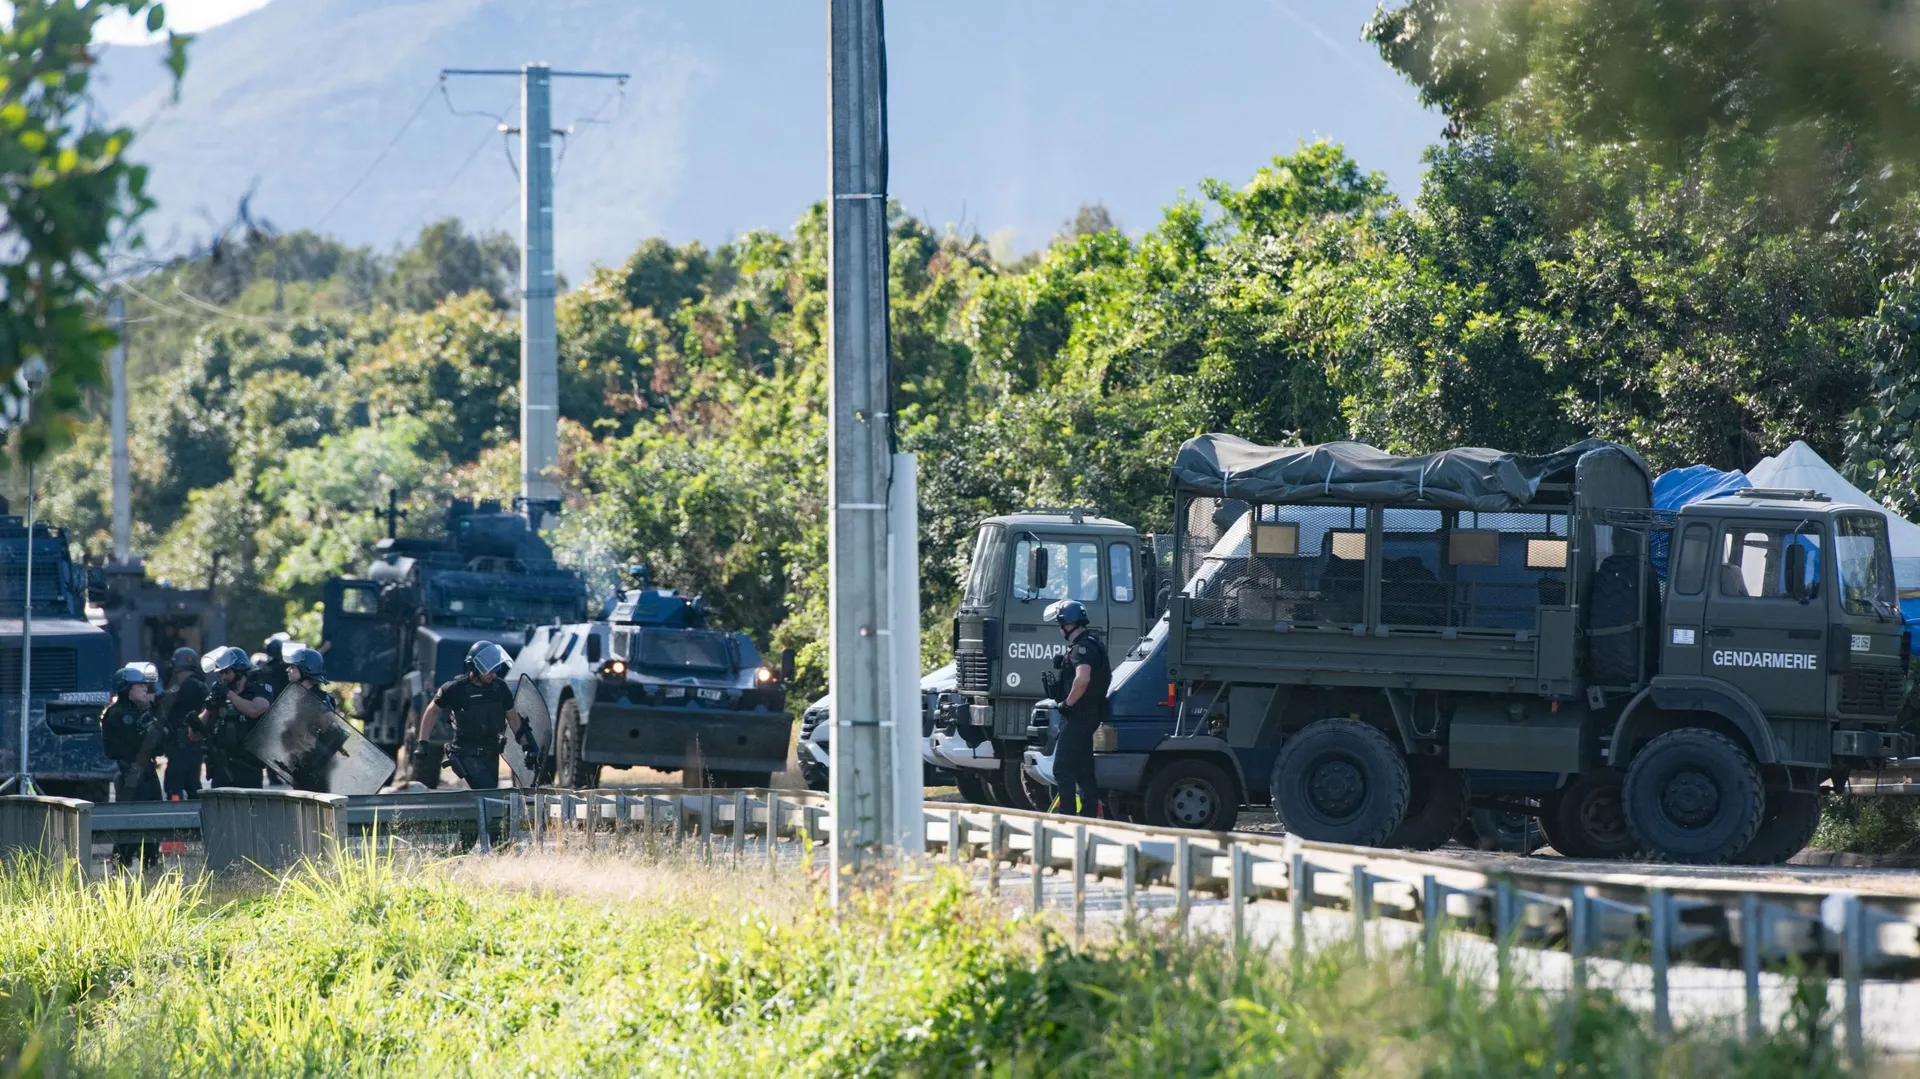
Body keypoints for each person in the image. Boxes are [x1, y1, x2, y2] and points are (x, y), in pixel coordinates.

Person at [415, 640, 538, 790]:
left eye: (495, 670)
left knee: (489, 791)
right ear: (474, 667)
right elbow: (431, 711)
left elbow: (513, 719)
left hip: (491, 751)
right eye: (489, 670)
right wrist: (423, 742)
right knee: (486, 789)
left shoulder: (500, 688)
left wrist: (526, 747)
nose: (493, 674)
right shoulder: (455, 689)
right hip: (465, 752)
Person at [1044, 599, 1110, 818]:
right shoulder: (1092, 642)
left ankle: (1067, 816)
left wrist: (1067, 704)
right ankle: (1088, 816)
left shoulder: (1082, 648)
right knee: (1083, 770)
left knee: (1062, 768)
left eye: (1061, 625)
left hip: (1079, 715)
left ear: (1068, 625)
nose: (1060, 629)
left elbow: (1082, 680)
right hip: (1089, 714)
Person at [101, 663, 164, 868]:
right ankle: (120, 868)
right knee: (131, 826)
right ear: (127, 689)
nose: (145, 688)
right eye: (140, 685)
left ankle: (151, 867)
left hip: (147, 772)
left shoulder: (140, 711)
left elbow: (159, 746)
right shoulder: (117, 713)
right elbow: (141, 743)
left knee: (154, 824)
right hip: (131, 774)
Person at [200, 646, 272, 788]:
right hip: (222, 768)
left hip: (249, 769)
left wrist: (228, 694)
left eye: (227, 672)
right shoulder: (220, 695)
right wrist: (209, 708)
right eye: (221, 673)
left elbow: (254, 710)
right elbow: (194, 734)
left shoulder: (258, 689)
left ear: (239, 671)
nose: (223, 677)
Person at [159, 646, 208, 800]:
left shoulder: (187, 686)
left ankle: (175, 810)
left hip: (182, 744)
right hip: (192, 744)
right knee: (192, 784)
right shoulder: (199, 685)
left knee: (174, 785)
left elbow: (163, 701)